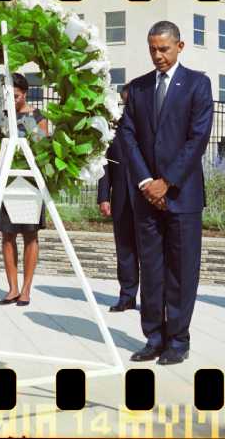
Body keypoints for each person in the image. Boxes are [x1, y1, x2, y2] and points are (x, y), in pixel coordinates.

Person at [118, 21, 214, 366]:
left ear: (180, 47)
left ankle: (178, 339)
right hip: (146, 197)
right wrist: (146, 182)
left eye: (164, 49)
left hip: (182, 197)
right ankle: (154, 337)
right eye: (152, 49)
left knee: (182, 272)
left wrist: (167, 182)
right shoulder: (139, 88)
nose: (158, 55)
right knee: (153, 270)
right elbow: (127, 136)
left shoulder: (198, 85)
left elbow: (197, 139)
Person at [0, 74, 50, 306]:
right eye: (7, 95)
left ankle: (26, 289)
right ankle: (12, 288)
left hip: (30, 184)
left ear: (24, 93)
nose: (11, 100)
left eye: (15, 96)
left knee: (29, 235)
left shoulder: (38, 117)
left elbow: (44, 148)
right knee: (7, 235)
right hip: (7, 182)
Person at [97, 86, 139, 312]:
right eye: (125, 101)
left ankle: (154, 301)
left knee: (150, 252)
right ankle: (127, 296)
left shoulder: (152, 125)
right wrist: (104, 196)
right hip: (122, 197)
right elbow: (107, 163)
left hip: (148, 198)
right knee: (124, 249)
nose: (128, 105)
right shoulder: (114, 128)